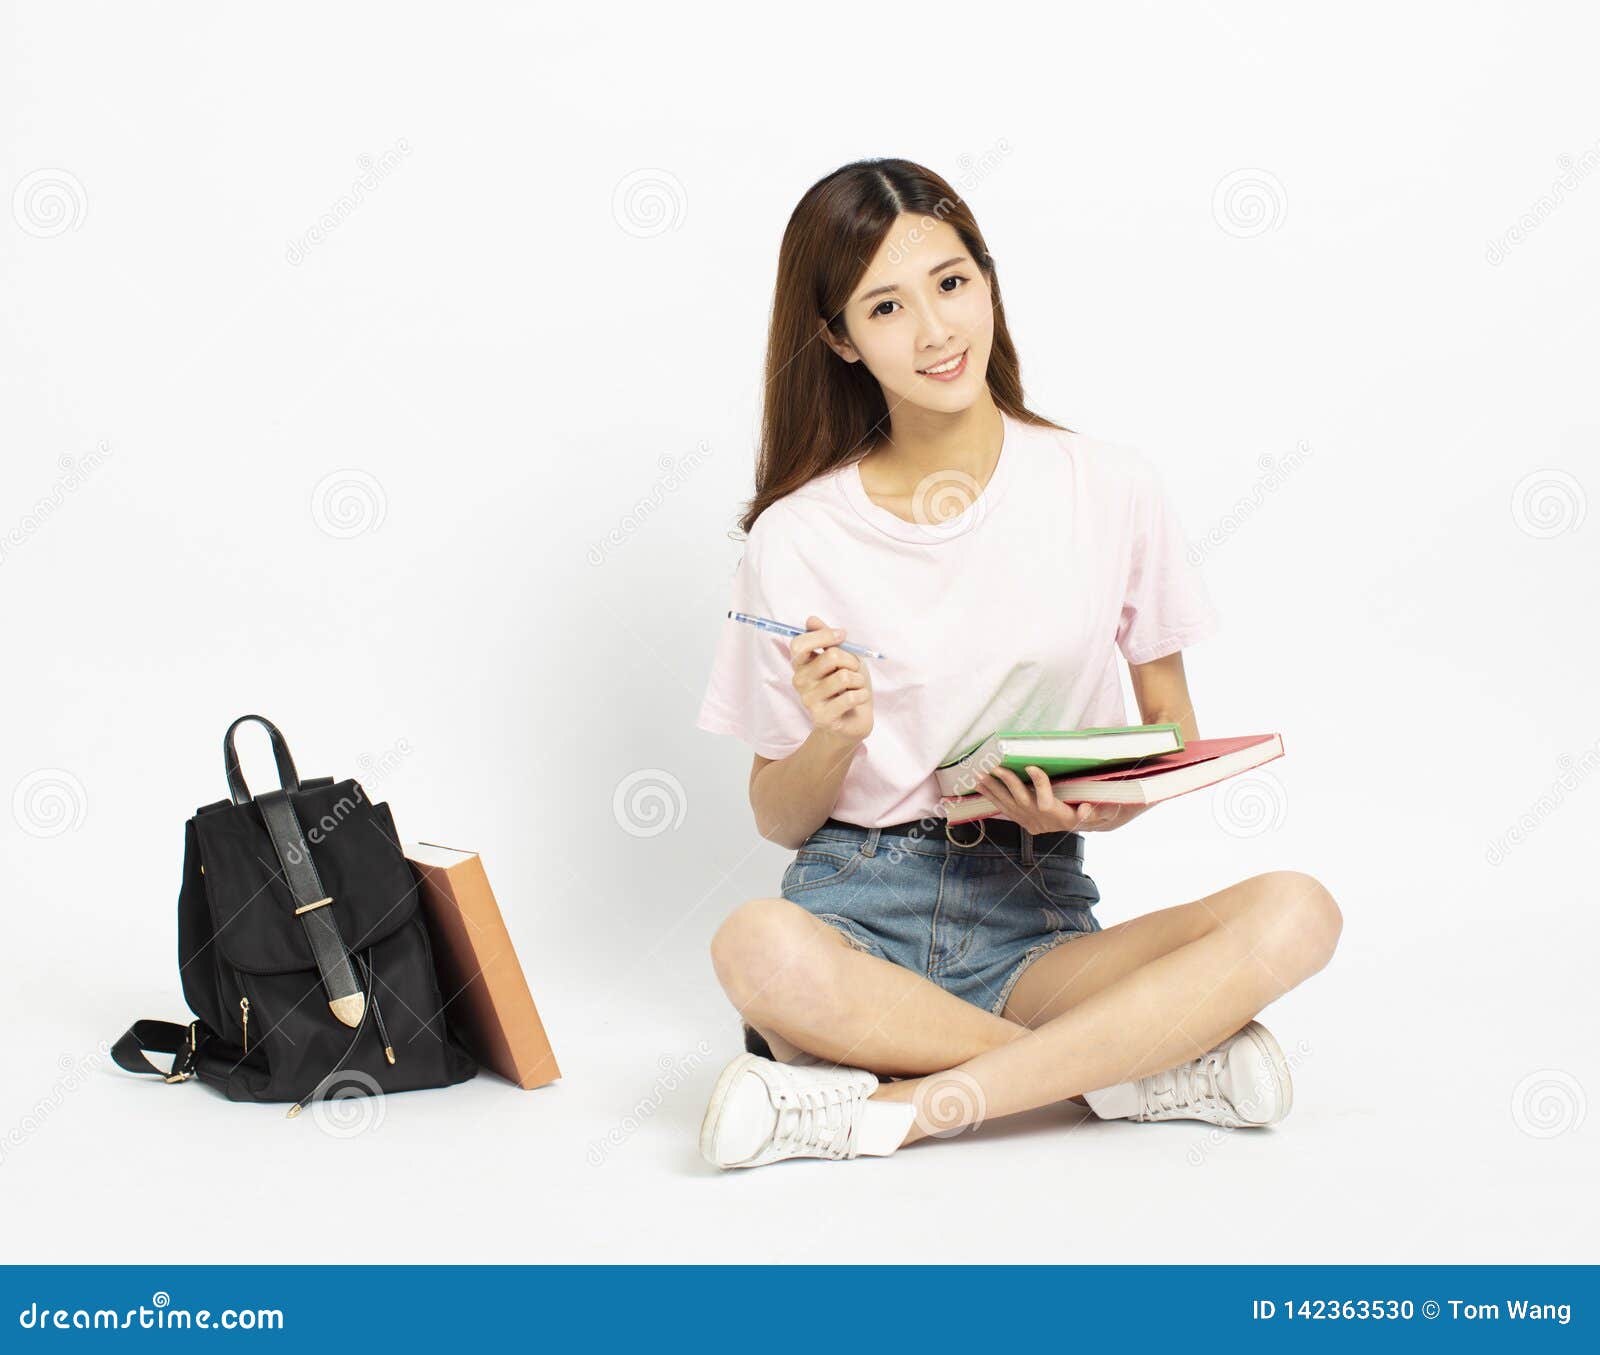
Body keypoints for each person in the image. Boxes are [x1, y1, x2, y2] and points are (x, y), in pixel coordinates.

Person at [693, 158, 1341, 1170]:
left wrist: (1085, 805)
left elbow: (1166, 730)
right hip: (856, 919)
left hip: (1035, 915)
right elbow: (776, 814)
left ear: (987, 280)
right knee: (753, 943)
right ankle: (1133, 1072)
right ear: (839, 338)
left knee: (1297, 908)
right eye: (886, 306)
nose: (936, 331)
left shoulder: (1108, 485)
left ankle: (889, 1105)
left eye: (951, 284)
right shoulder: (798, 534)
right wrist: (833, 736)